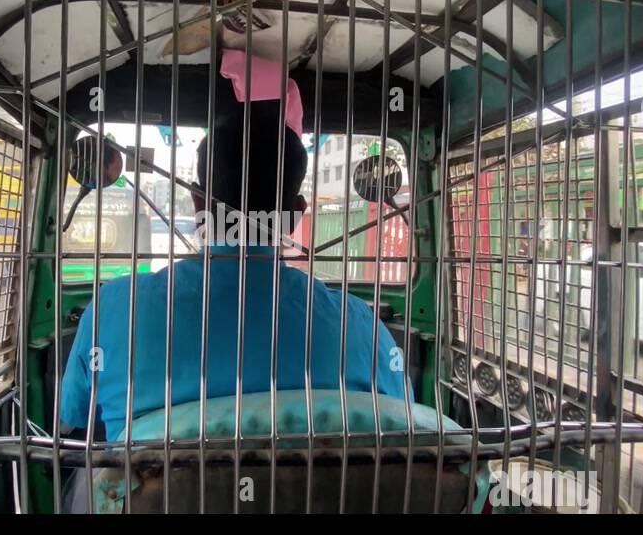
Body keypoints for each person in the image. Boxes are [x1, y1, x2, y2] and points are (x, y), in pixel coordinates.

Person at [60, 108, 409, 509]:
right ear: (296, 214)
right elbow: (404, 429)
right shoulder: (363, 328)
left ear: (197, 201)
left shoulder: (114, 311)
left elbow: (76, 422)